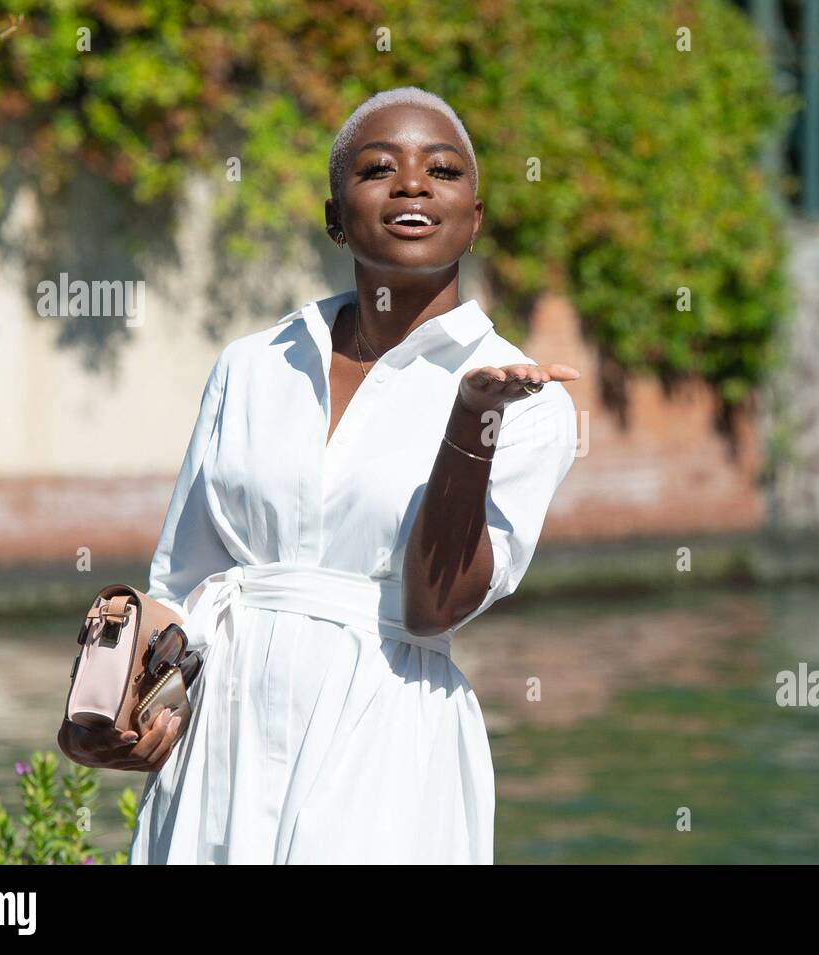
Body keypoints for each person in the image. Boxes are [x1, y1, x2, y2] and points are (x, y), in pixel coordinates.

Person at [57, 86, 580, 863]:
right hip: (220, 731)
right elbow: (186, 581)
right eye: (378, 168)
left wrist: (471, 424)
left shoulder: (519, 393)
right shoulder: (252, 364)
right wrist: (100, 706)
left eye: (442, 169)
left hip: (384, 732)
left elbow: (437, 606)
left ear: (475, 217)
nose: (412, 184)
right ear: (336, 215)